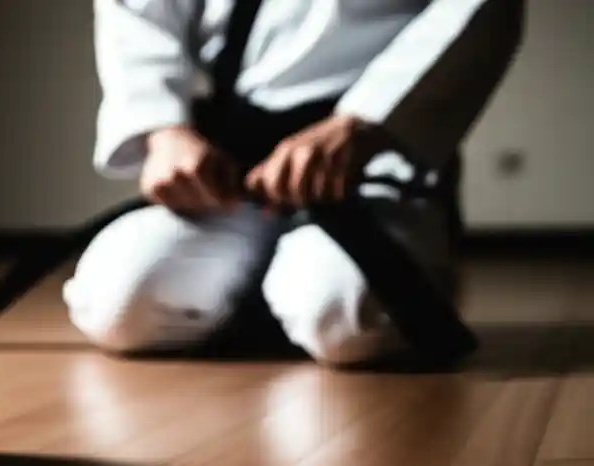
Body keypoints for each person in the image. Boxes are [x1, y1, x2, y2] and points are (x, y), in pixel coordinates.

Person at [64, 0, 525, 365]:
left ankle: (310, 284)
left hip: (368, 162)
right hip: (232, 164)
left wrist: (363, 123)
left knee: (340, 310)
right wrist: (164, 129)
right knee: (117, 303)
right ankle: (261, 283)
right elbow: (138, 11)